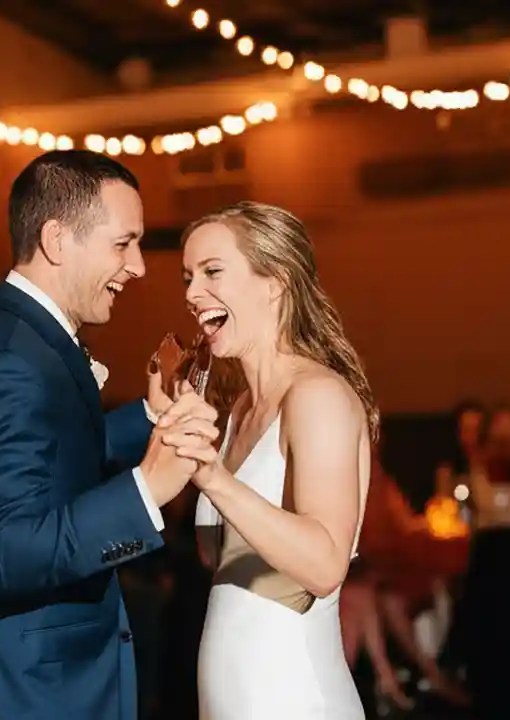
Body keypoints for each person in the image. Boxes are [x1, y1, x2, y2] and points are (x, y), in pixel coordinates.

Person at [0, 149, 218, 720]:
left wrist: (147, 418)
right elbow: (1, 552)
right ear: (57, 240)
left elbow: (48, 462)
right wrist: (146, 491)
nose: (139, 267)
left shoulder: (26, 335)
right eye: (123, 244)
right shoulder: (12, 362)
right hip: (21, 692)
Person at [165, 201, 375, 718]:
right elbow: (227, 563)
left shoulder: (317, 395)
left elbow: (325, 565)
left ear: (274, 281)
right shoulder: (238, 410)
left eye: (212, 272)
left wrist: (213, 477)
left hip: (295, 698)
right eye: (189, 277)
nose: (192, 294)